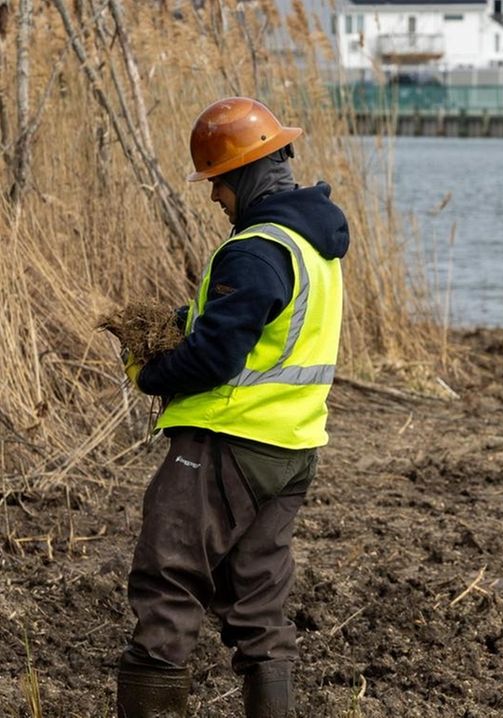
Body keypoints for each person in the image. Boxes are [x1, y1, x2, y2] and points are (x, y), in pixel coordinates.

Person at [115, 97, 348, 718]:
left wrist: (151, 371)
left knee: (168, 582)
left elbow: (217, 357)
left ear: (240, 174)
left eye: (216, 180)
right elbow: (254, 333)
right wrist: (178, 323)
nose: (214, 196)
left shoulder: (254, 249)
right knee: (258, 607)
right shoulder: (314, 247)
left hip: (228, 445)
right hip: (292, 450)